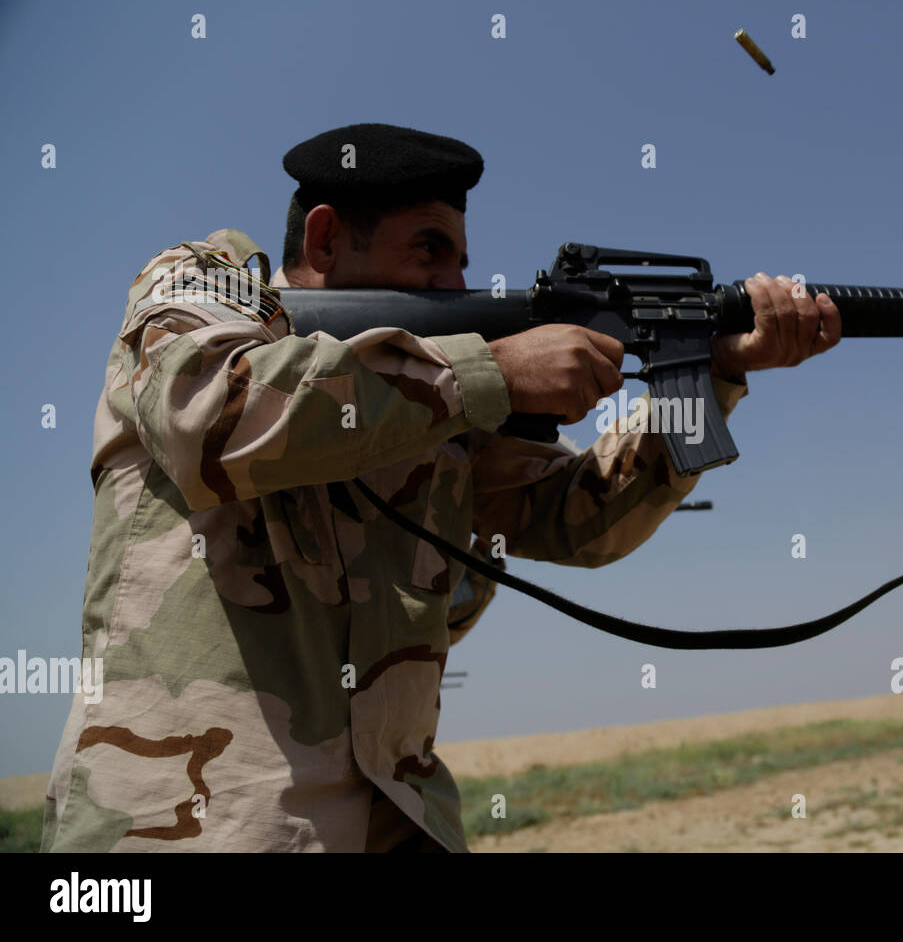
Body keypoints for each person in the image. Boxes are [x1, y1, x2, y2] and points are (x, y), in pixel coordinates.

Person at [40, 123, 841, 852]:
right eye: (430, 250)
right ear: (324, 236)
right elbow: (206, 413)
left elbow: (581, 520)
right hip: (191, 826)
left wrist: (717, 373)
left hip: (402, 820)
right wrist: (492, 372)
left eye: (461, 257)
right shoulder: (206, 287)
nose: (459, 283)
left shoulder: (443, 412)